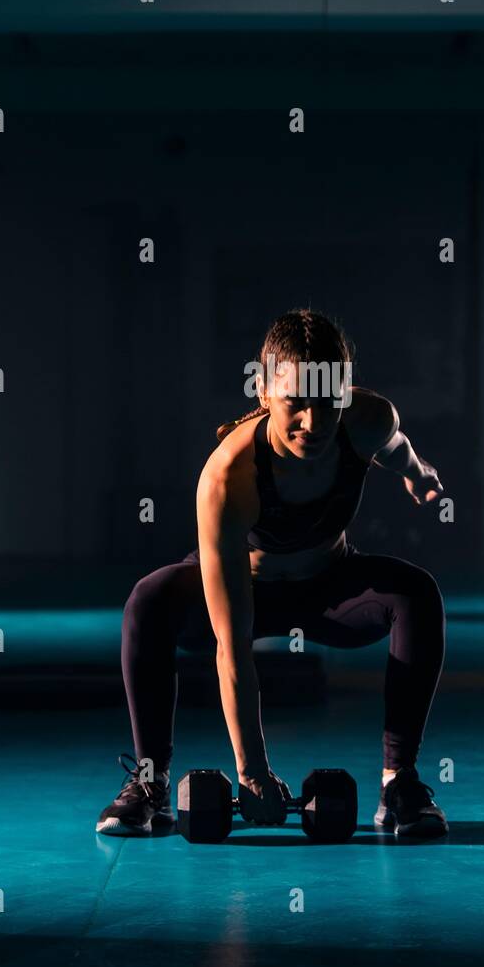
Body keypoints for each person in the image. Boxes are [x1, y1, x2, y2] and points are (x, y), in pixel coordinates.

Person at [97, 308, 448, 839]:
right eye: (294, 403)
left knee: (417, 594)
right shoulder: (227, 476)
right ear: (263, 391)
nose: (312, 421)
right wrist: (251, 772)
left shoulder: (368, 421)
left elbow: (396, 450)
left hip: (328, 589)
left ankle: (399, 782)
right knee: (149, 601)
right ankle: (150, 785)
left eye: (328, 403)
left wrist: (420, 477)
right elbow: (232, 647)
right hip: (246, 587)